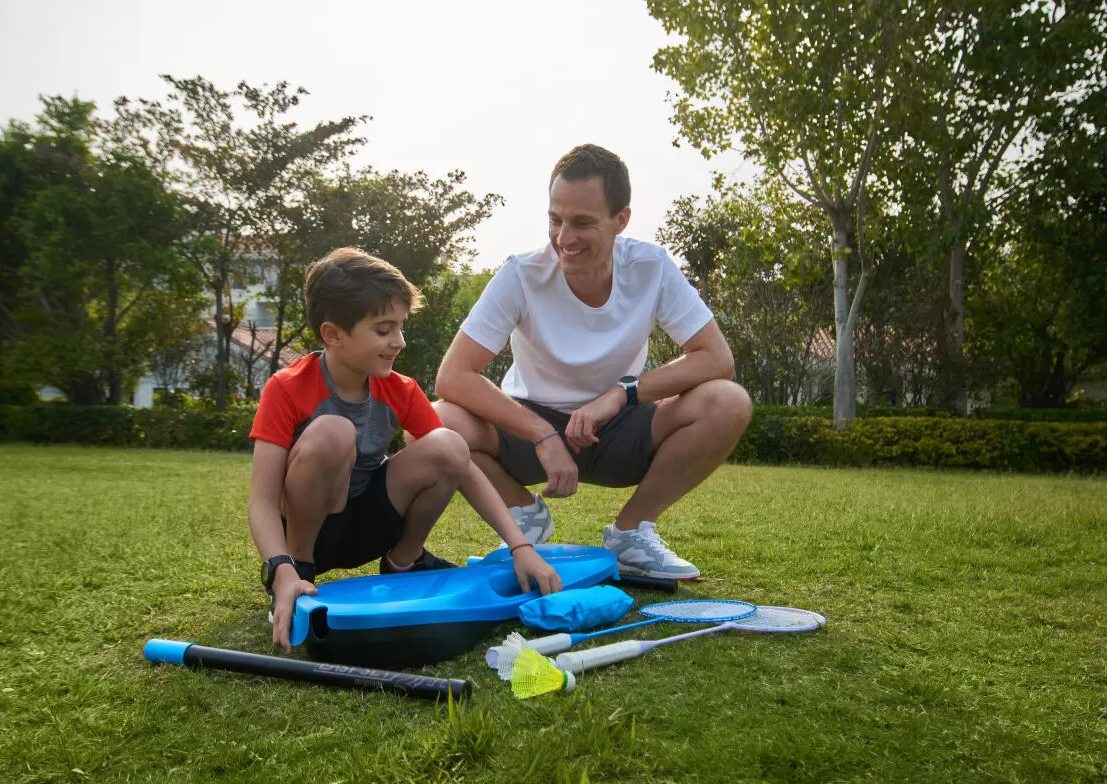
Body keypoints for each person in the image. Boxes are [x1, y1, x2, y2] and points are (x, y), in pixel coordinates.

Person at [433, 144, 753, 581]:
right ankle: (522, 518)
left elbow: (717, 358)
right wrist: (543, 434)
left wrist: (623, 394)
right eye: (555, 219)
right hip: (527, 433)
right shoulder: (520, 274)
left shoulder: (651, 266)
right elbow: (452, 376)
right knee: (438, 421)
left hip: (619, 429)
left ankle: (630, 535)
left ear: (621, 219)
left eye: (582, 222)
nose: (564, 238)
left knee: (728, 401)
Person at [248, 247, 562, 653]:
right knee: (333, 433)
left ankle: (405, 560)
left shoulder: (400, 389)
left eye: (399, 326)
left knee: (448, 442)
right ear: (333, 335)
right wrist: (281, 569)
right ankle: (300, 571)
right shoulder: (287, 387)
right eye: (383, 329)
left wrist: (521, 546)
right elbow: (261, 502)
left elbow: (462, 466)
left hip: (370, 526)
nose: (399, 341)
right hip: (310, 534)